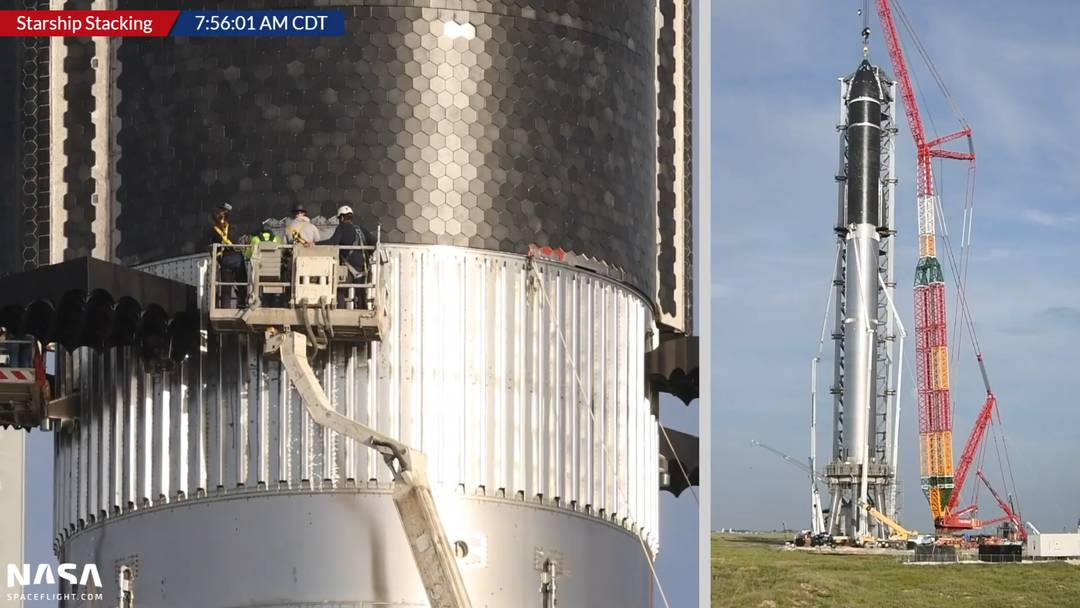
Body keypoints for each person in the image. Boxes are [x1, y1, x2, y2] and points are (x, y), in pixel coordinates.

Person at [318, 205, 374, 308]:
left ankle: (340, 310)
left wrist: (315, 244)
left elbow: (332, 242)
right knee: (361, 292)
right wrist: (367, 255)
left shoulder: (342, 227)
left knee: (340, 289)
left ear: (342, 218)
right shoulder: (360, 229)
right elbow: (374, 242)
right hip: (362, 267)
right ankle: (362, 312)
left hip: (348, 268)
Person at [209, 204, 247, 308]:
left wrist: (219, 259)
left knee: (226, 287)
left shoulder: (214, 230)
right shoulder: (233, 227)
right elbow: (235, 240)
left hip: (225, 260)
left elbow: (212, 249)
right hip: (236, 258)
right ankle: (242, 304)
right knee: (241, 283)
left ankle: (226, 308)